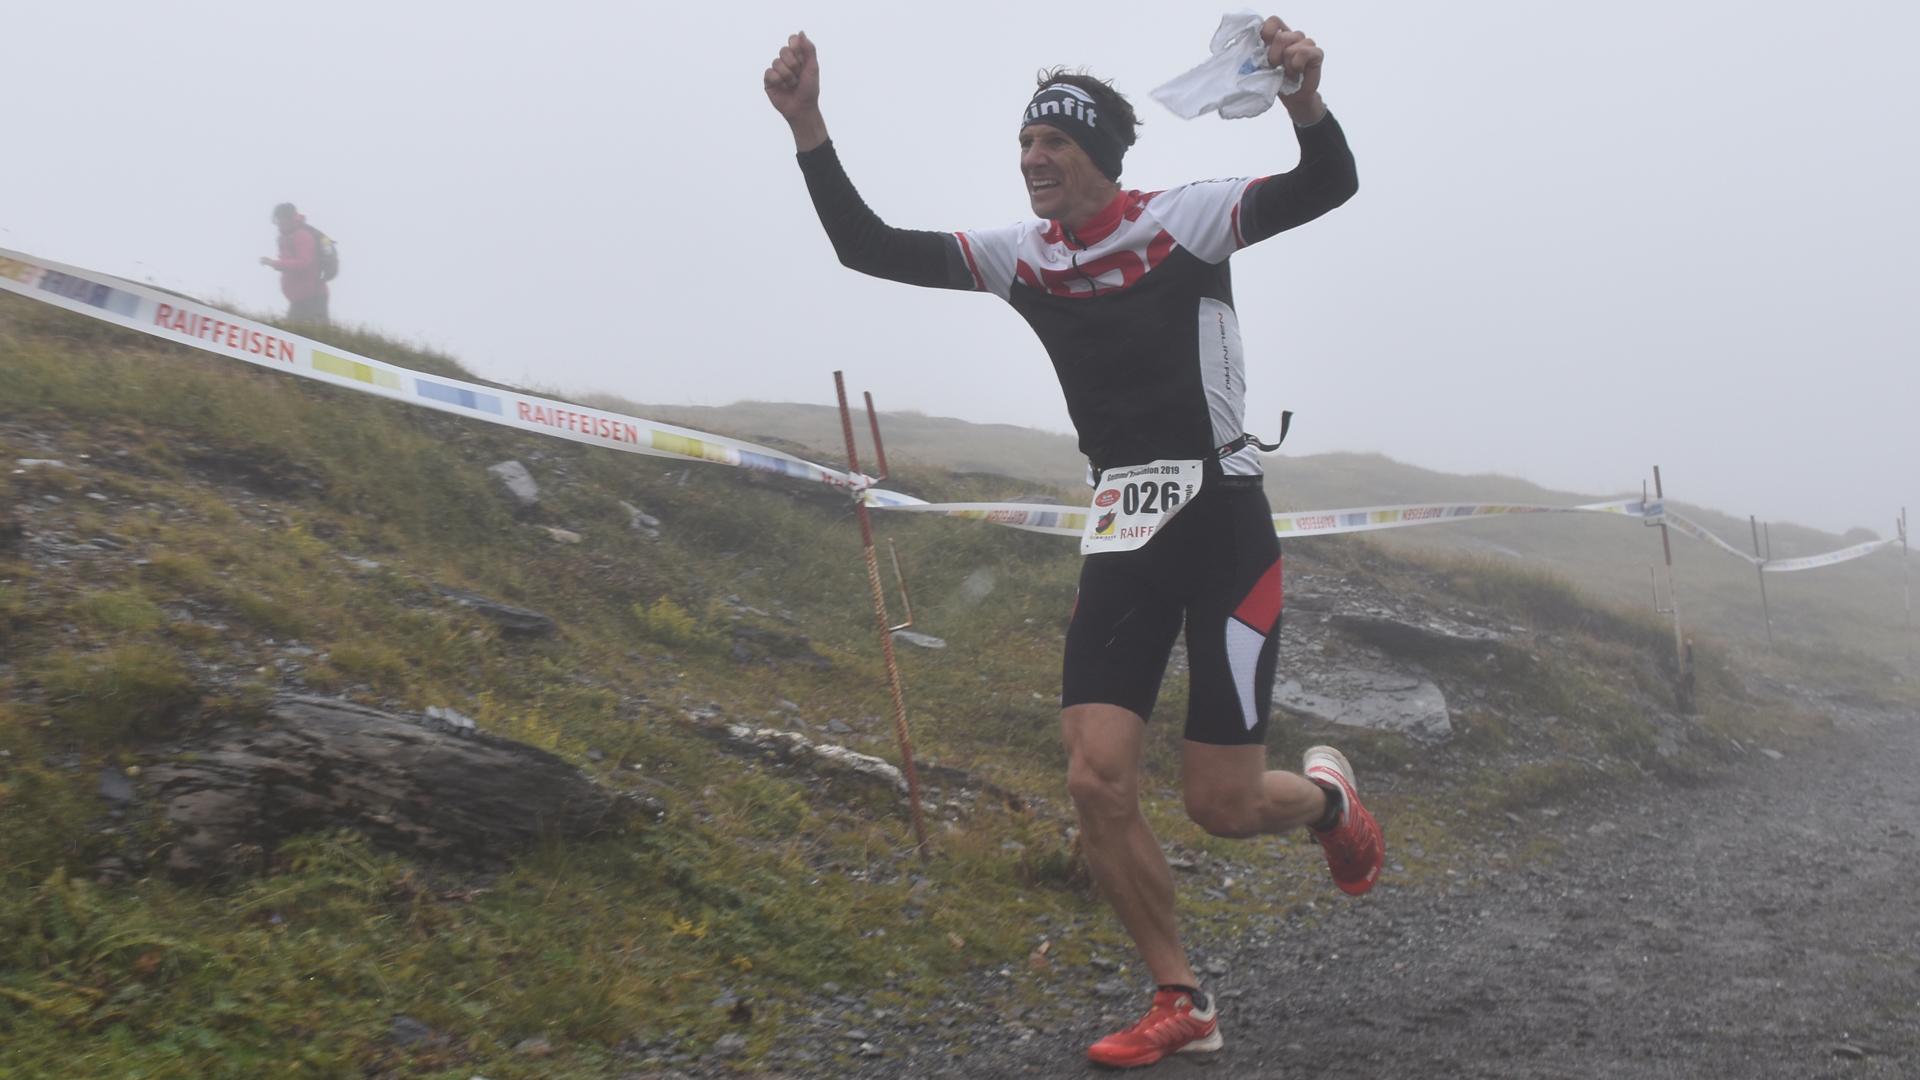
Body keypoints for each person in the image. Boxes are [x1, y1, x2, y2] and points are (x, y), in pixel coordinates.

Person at [765, 20, 1383, 1069]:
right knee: (1096, 780)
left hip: (1226, 521)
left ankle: (1330, 804)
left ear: (1097, 152)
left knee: (1222, 804)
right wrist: (808, 124)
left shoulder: (1188, 220)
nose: (1031, 160)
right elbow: (867, 247)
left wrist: (1304, 98)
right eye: (1023, 145)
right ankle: (1179, 996)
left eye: (1051, 144)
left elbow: (1327, 184)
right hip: (1127, 532)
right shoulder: (1024, 257)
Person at [260, 202, 329, 325]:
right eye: (277, 220)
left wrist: (274, 263)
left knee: (317, 338)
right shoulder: (284, 238)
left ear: (289, 218)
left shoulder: (302, 235)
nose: (278, 224)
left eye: (280, 220)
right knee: (292, 334)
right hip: (298, 298)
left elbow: (304, 262)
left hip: (313, 296)